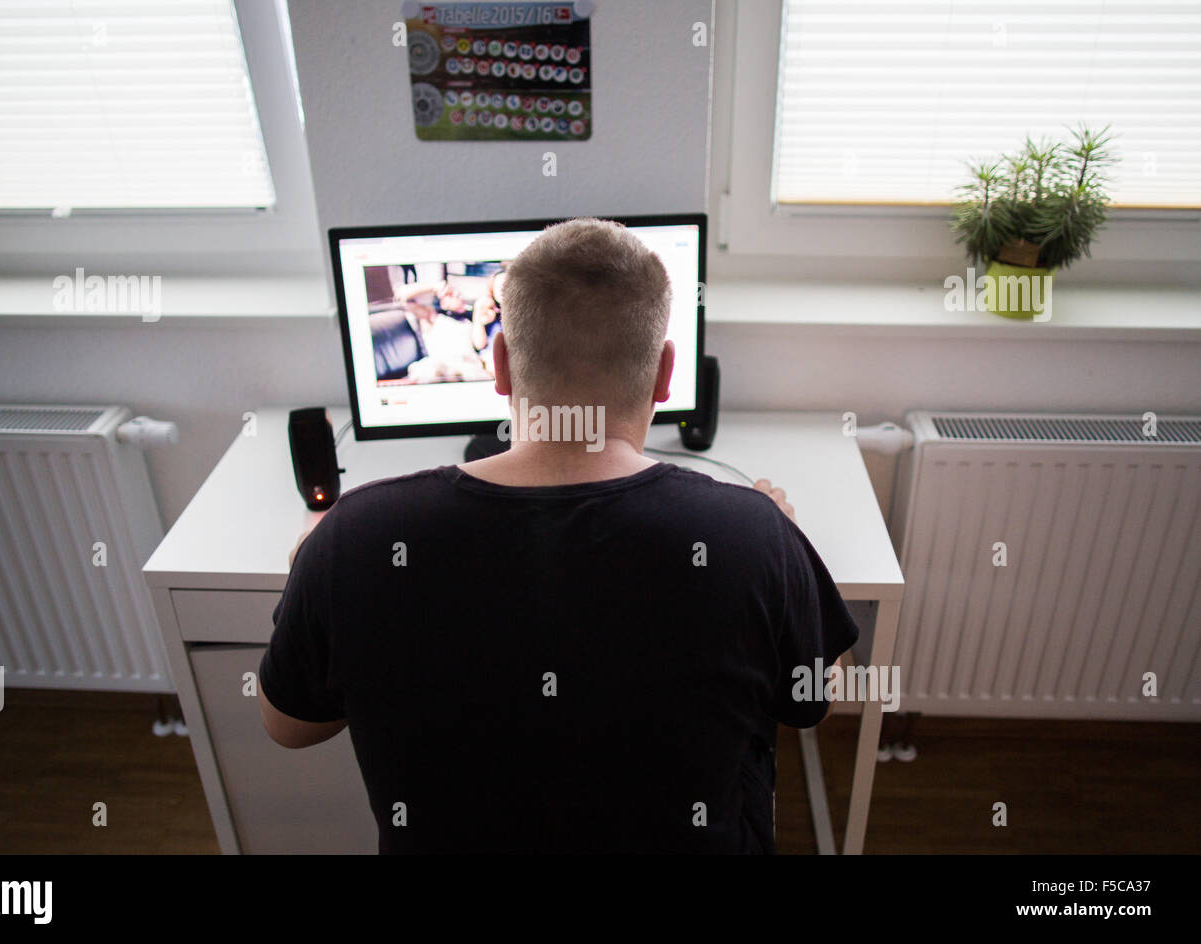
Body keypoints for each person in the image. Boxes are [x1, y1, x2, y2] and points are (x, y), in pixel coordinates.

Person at [259, 217, 858, 853]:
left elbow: (287, 727)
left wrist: (319, 567)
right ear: (664, 373)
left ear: (501, 365)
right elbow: (819, 695)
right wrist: (786, 548)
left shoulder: (355, 537)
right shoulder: (750, 534)